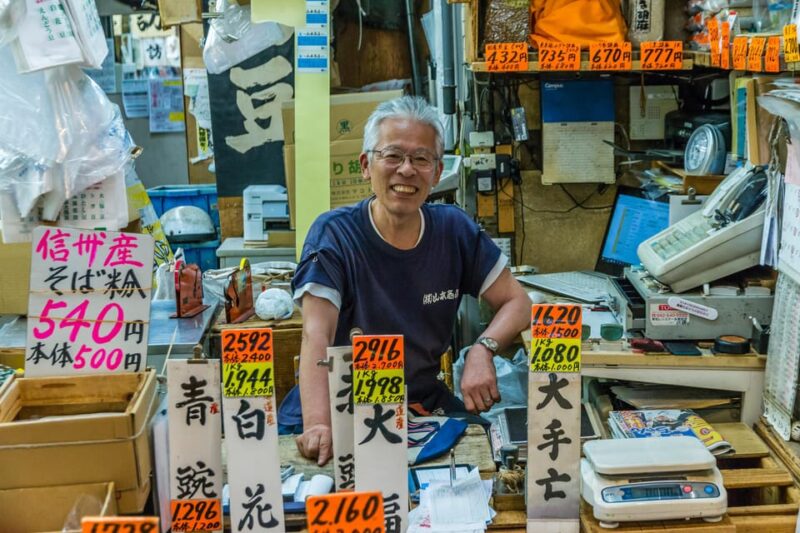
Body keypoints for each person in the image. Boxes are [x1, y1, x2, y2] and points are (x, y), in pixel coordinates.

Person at [291, 96, 531, 465]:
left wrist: (483, 350)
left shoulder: (453, 230)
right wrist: (319, 423)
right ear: (365, 165)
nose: (406, 170)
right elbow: (315, 335)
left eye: (421, 159)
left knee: (491, 459)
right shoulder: (334, 235)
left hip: (419, 401)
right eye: (392, 156)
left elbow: (518, 302)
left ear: (436, 173)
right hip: (342, 403)